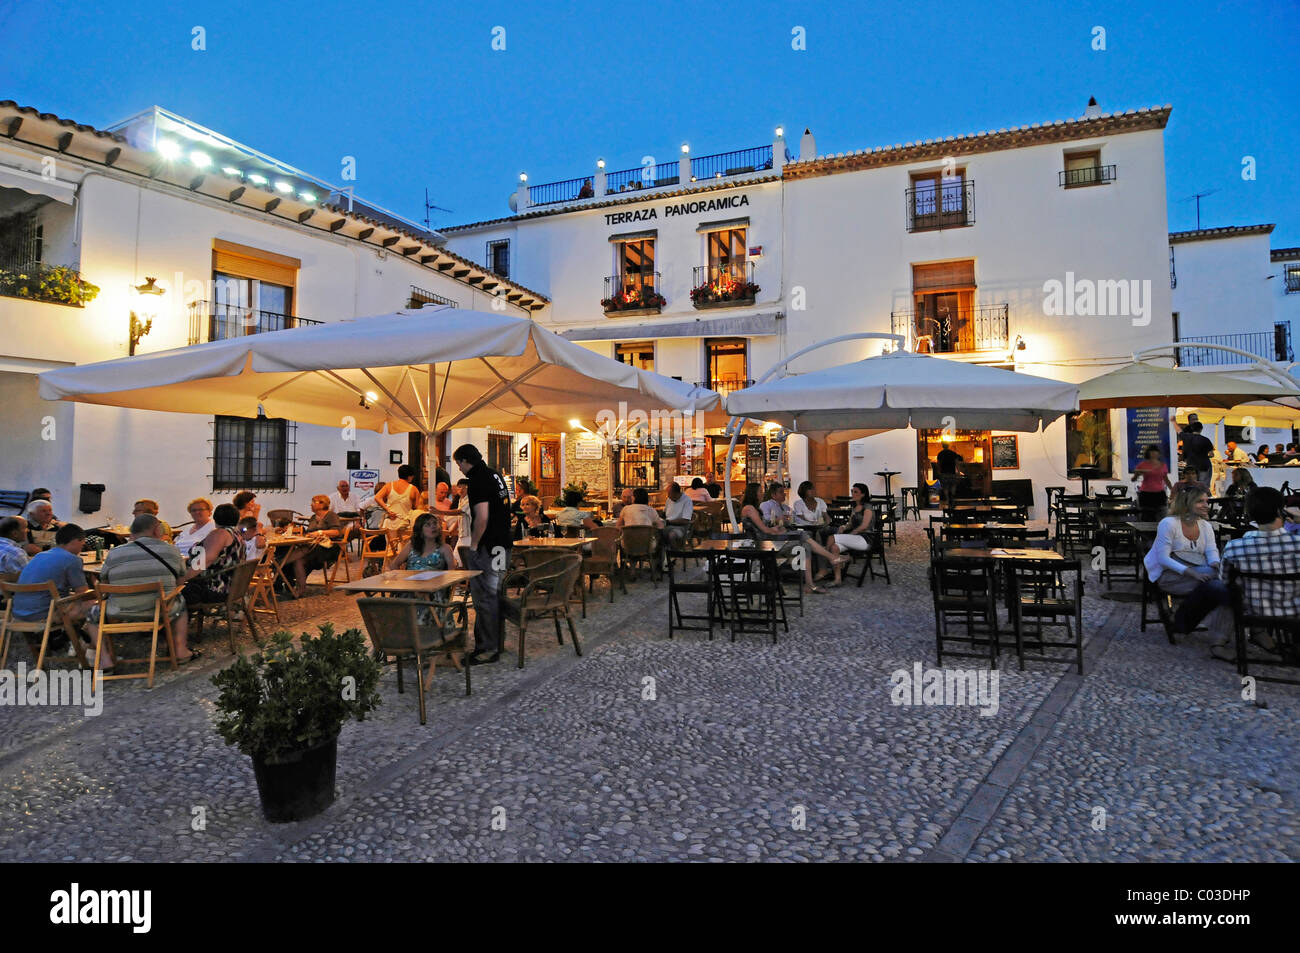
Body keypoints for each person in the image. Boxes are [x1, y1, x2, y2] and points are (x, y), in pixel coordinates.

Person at [1195, 487, 1300, 662]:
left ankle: (1219, 644)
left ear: (1249, 514)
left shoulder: (1235, 547)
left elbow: (1224, 582)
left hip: (1252, 611)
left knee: (1227, 590)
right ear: (1280, 511)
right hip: (1294, 612)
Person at [86, 513, 197, 666]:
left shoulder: (114, 553)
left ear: (132, 531)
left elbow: (105, 582)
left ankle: (105, 661)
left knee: (92, 613)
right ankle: (180, 651)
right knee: (180, 600)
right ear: (157, 531)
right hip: (160, 609)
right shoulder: (171, 551)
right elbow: (179, 581)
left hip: (118, 610)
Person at [1142, 484, 1227, 642]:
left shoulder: (1205, 526)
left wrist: (1215, 563)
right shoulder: (1169, 524)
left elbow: (1211, 551)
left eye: (1206, 501)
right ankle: (1218, 634)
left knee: (1221, 582)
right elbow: (1163, 559)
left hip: (1197, 573)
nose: (1206, 505)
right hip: (1168, 575)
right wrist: (1191, 572)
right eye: (1200, 501)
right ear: (1187, 503)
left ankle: (1188, 623)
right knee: (1223, 583)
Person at [454, 442, 513, 664]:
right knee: (495, 595)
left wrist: (474, 545)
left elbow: (482, 517)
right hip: (503, 544)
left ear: (464, 461)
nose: (459, 469)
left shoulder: (477, 481)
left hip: (488, 546)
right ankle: (495, 643)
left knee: (485, 598)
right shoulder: (494, 474)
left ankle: (487, 649)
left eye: (459, 464)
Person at [737, 482, 845, 592]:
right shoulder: (749, 508)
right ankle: (832, 558)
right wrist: (776, 531)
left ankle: (809, 585)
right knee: (803, 535)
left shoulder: (756, 508)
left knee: (806, 545)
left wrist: (778, 529)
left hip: (770, 541)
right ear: (753, 493)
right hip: (764, 546)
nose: (762, 493)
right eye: (760, 491)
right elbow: (765, 531)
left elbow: (765, 528)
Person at [12, 523, 92, 648]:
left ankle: (74, 637)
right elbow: (82, 592)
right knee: (91, 603)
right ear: (77, 540)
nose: (82, 547)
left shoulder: (40, 555)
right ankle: (90, 647)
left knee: (75, 600)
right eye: (82, 544)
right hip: (45, 615)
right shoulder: (73, 560)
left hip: (19, 613)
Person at [181, 503, 246, 608]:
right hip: (232, 587)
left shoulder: (220, 533)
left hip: (214, 588)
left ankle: (170, 622)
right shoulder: (236, 534)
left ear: (215, 517)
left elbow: (206, 560)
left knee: (171, 592)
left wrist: (184, 578)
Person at [282, 495, 343, 598]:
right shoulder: (313, 518)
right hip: (311, 546)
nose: (311, 504)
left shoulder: (331, 515)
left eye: (314, 502)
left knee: (298, 555)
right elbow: (308, 532)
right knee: (298, 560)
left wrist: (320, 532)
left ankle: (279, 565)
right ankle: (300, 588)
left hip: (327, 548)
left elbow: (336, 532)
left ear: (322, 504)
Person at [388, 512, 454, 575]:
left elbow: (452, 573)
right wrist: (401, 581)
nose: (433, 526)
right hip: (411, 584)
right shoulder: (411, 546)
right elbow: (394, 565)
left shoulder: (445, 548)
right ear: (420, 530)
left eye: (435, 523)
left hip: (435, 585)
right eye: (428, 525)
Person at [375, 464, 419, 541]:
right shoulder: (414, 489)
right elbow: (416, 507)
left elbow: (377, 497)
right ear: (409, 476)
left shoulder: (389, 485)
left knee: (390, 548)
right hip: (405, 523)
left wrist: (388, 509)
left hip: (390, 522)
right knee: (403, 548)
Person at [1130, 444, 1173, 521]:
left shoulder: (1163, 465)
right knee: (1146, 517)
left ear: (1158, 453)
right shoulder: (1142, 465)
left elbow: (1166, 479)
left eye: (1155, 452)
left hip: (1160, 494)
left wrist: (1173, 491)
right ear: (1148, 453)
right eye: (1151, 452)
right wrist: (1137, 473)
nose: (1153, 454)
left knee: (1161, 516)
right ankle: (1146, 533)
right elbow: (1133, 479)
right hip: (1146, 494)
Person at [1180, 422, 1215, 487]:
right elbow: (1211, 454)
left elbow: (1183, 455)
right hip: (1204, 465)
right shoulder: (1206, 440)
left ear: (1192, 429)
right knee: (1203, 486)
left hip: (1191, 466)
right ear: (1201, 429)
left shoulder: (1187, 439)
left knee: (1193, 486)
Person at [662, 481, 694, 550]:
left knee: (672, 535)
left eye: (669, 493)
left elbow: (685, 520)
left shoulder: (687, 501)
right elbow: (664, 513)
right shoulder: (669, 500)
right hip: (667, 525)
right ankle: (659, 558)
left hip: (680, 527)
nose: (668, 496)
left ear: (675, 493)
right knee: (655, 534)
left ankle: (675, 554)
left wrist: (669, 522)